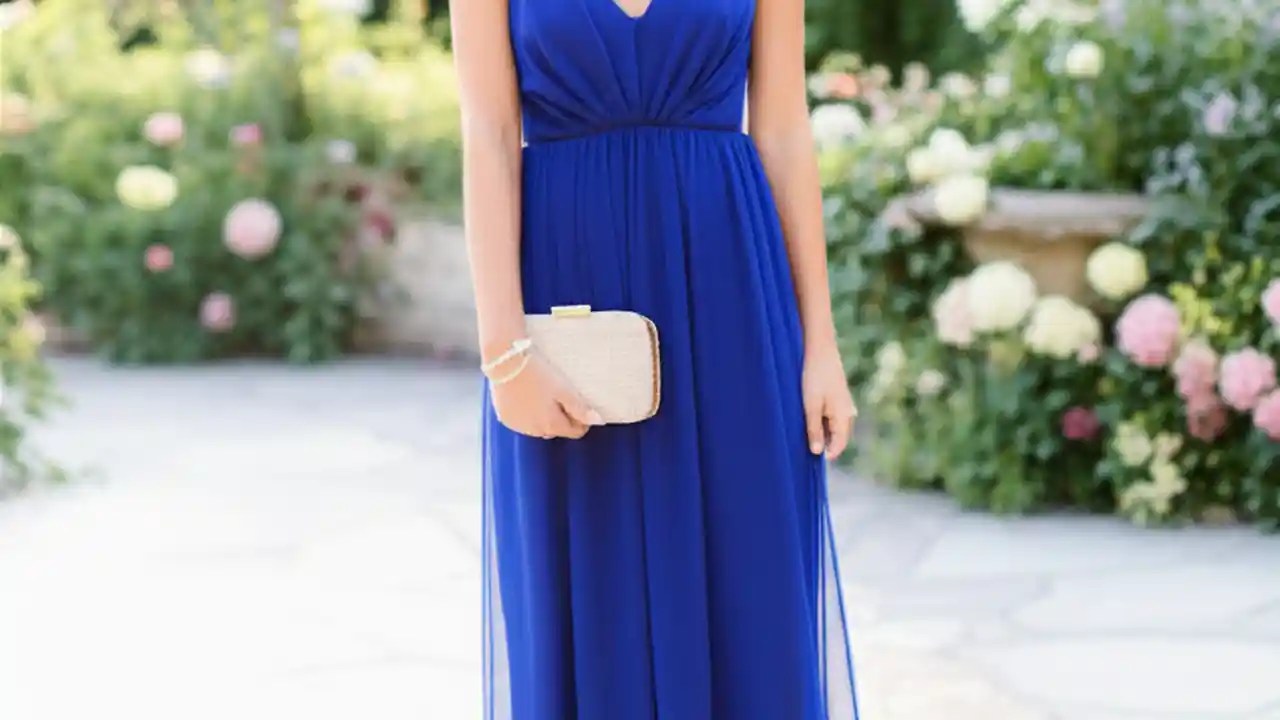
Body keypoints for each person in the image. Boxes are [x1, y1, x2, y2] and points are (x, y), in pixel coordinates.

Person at [452, 0, 860, 717]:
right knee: (591, 587)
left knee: (749, 588)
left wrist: (820, 344)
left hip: (732, 299)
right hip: (568, 310)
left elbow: (784, 129)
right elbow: (487, 132)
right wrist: (504, 352)